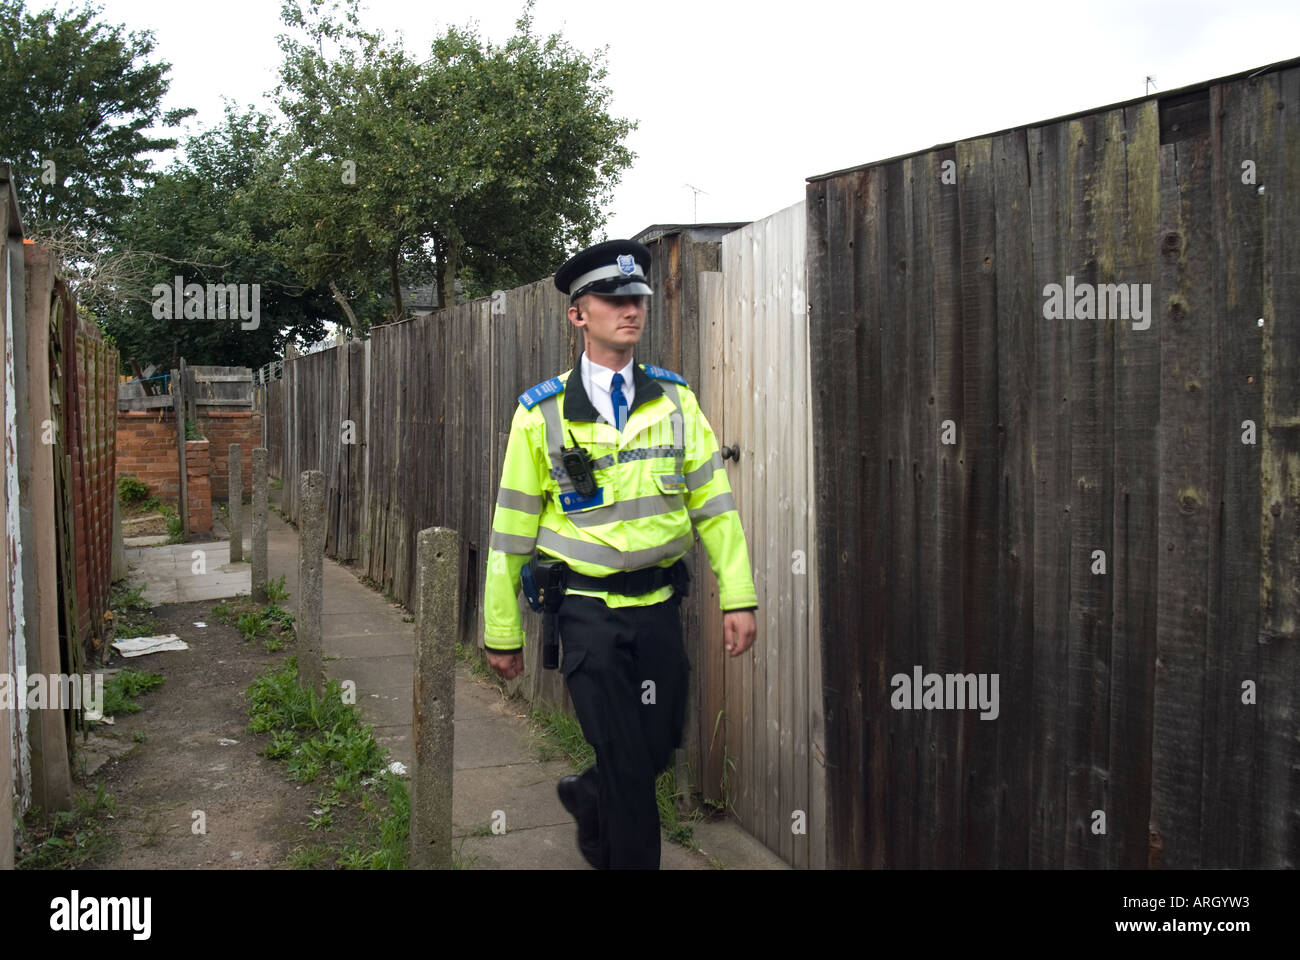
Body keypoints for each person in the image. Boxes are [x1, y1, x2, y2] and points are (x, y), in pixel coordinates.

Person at [481, 238, 758, 869]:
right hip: (585, 614)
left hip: (658, 608)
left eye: (637, 297)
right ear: (578, 314)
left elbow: (714, 506)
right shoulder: (541, 413)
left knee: (657, 745)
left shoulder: (676, 401)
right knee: (631, 767)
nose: (630, 309)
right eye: (612, 299)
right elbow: (511, 531)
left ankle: (588, 795)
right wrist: (503, 631)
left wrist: (738, 594)